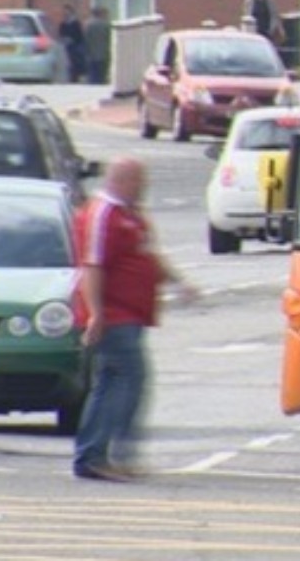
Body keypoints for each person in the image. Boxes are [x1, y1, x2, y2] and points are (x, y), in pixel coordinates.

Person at [71, 157, 198, 482]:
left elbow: (147, 256)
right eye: (139, 182)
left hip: (129, 316)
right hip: (113, 317)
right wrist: (96, 312)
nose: (143, 189)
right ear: (122, 180)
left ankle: (111, 453)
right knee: (121, 381)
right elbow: (93, 266)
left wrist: (177, 281)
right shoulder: (103, 214)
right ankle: (97, 454)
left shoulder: (130, 215)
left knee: (123, 382)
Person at [58, 4, 87, 84]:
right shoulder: (63, 23)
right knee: (67, 62)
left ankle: (75, 77)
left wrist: (73, 40)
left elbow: (79, 35)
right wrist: (63, 39)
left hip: (74, 46)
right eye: (64, 12)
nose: (65, 13)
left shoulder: (75, 23)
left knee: (74, 62)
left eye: (67, 12)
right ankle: (70, 77)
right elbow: (61, 33)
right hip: (66, 45)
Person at [84, 6, 112, 85]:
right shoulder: (106, 24)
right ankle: (101, 82)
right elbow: (109, 38)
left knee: (93, 72)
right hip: (104, 52)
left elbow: (86, 39)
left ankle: (93, 83)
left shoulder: (88, 24)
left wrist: (87, 51)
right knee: (102, 72)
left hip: (92, 52)